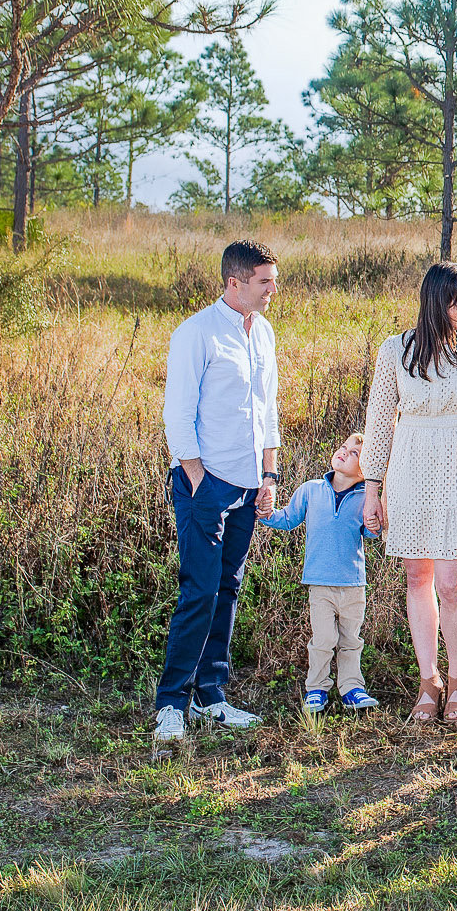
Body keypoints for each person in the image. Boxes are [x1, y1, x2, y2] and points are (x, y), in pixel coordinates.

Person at [361, 262, 457, 728]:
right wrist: (372, 488)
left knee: (450, 581)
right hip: (409, 469)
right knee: (417, 578)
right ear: (435, 301)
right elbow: (380, 420)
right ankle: (429, 680)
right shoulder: (395, 350)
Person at [154, 240, 283, 744]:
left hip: (251, 485)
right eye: (264, 282)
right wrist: (196, 478)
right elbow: (178, 413)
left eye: (273, 280)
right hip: (205, 485)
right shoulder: (196, 334)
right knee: (200, 591)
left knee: (228, 589)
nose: (273, 290)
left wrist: (269, 476)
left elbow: (268, 412)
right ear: (235, 282)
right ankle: (171, 704)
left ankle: (212, 697)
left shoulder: (265, 332)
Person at [259, 432, 384, 714]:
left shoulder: (366, 497)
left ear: (366, 470)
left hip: (353, 583)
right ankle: (316, 688)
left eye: (354, 454)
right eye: (343, 447)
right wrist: (266, 515)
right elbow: (288, 518)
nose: (344, 452)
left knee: (351, 639)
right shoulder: (310, 490)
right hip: (320, 583)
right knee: (324, 639)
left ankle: (352, 688)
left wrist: (376, 523)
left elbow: (370, 532)